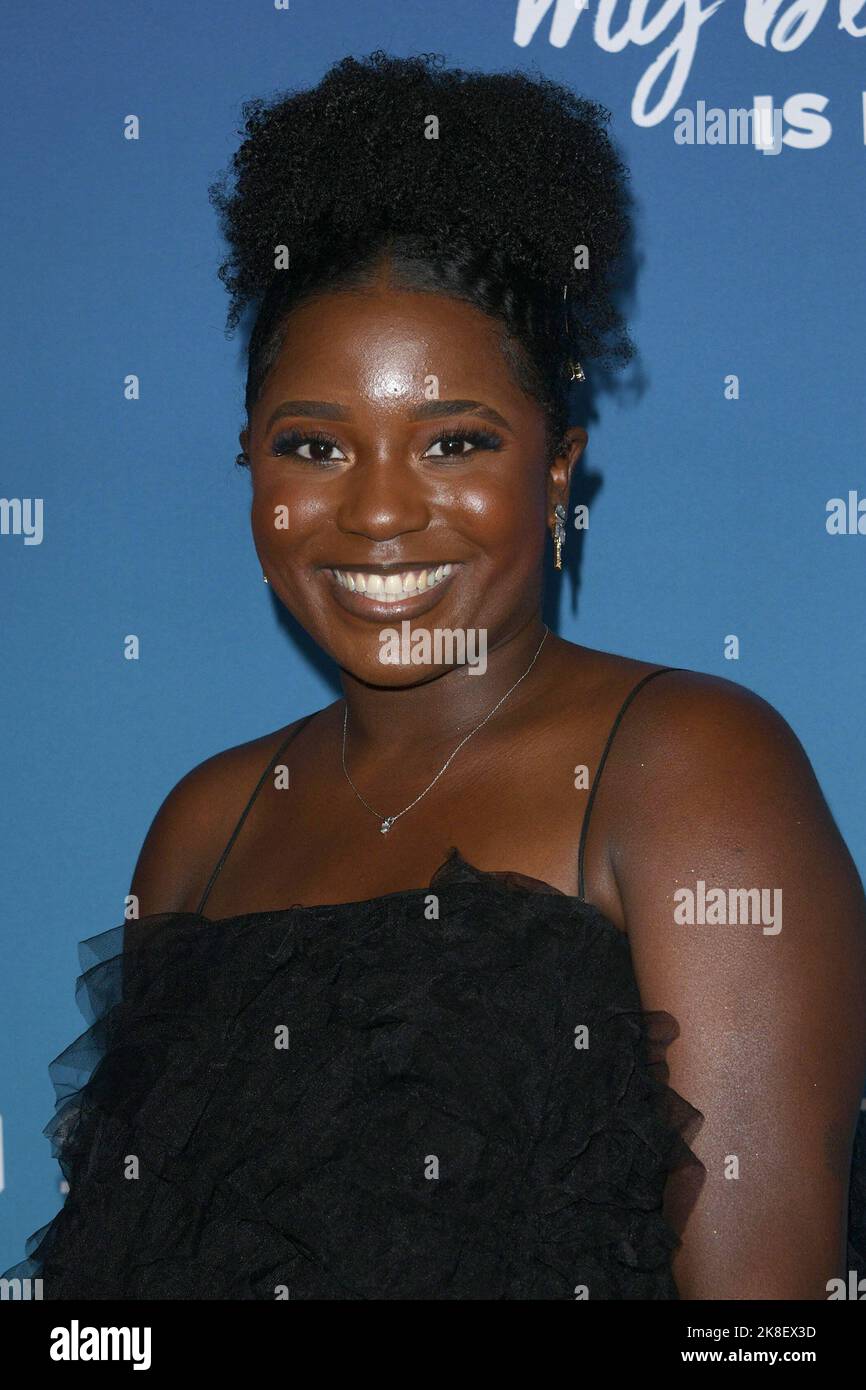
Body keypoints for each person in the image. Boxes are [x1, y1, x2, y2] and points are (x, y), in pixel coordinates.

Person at [6, 51, 866, 1300]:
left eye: (454, 441)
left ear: (559, 470)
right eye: (313, 445)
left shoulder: (687, 765)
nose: (377, 512)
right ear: (250, 465)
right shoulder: (206, 823)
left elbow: (756, 1325)